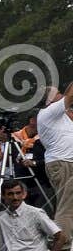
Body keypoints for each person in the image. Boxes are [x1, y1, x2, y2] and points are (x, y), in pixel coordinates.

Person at [38, 80, 73, 235]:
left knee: (68, 203)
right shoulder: (49, 112)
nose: (61, 94)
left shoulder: (58, 114)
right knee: (66, 205)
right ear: (49, 100)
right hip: (62, 162)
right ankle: (63, 242)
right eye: (57, 93)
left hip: (64, 161)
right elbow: (70, 95)